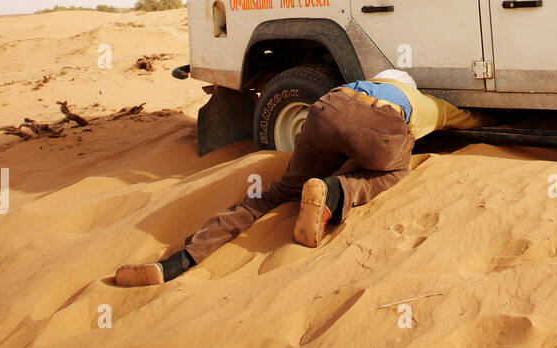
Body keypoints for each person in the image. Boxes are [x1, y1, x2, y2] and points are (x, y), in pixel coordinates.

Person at [114, 69, 486, 286]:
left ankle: (178, 262)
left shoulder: (362, 82)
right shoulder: (423, 102)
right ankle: (338, 192)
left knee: (272, 194)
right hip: (383, 126)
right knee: (393, 171)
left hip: (327, 109)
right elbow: (467, 119)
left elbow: (344, 122)